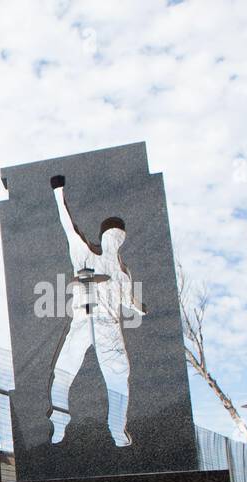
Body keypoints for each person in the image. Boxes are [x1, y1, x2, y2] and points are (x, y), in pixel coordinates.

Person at [48, 177, 145, 447]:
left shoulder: (121, 273)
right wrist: (58, 193)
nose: (114, 239)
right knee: (65, 371)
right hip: (84, 322)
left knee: (114, 377)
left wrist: (140, 307)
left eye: (118, 237)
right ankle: (59, 422)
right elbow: (67, 227)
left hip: (105, 326)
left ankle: (116, 428)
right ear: (105, 237)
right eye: (112, 235)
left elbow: (130, 303)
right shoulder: (84, 255)